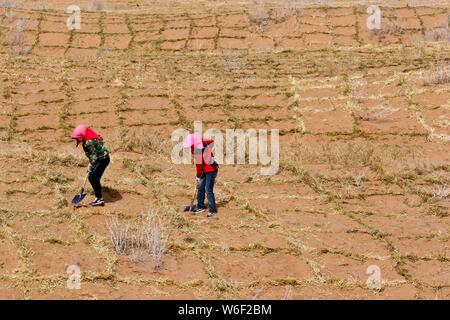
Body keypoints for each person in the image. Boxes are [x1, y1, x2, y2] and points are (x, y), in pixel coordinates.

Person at [71, 124, 110, 206]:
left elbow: (94, 157)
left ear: (81, 135)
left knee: (93, 178)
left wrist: (90, 165)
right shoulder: (89, 135)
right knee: (93, 177)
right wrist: (91, 164)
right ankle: (98, 197)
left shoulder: (88, 143)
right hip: (102, 158)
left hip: (102, 160)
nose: (77, 139)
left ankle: (99, 199)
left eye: (78, 137)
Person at [183, 133, 219, 218]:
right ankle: (200, 206)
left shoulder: (198, 150)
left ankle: (213, 211)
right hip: (205, 169)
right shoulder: (202, 143)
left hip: (211, 170)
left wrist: (198, 176)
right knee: (201, 187)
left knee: (208, 189)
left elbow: (199, 166)